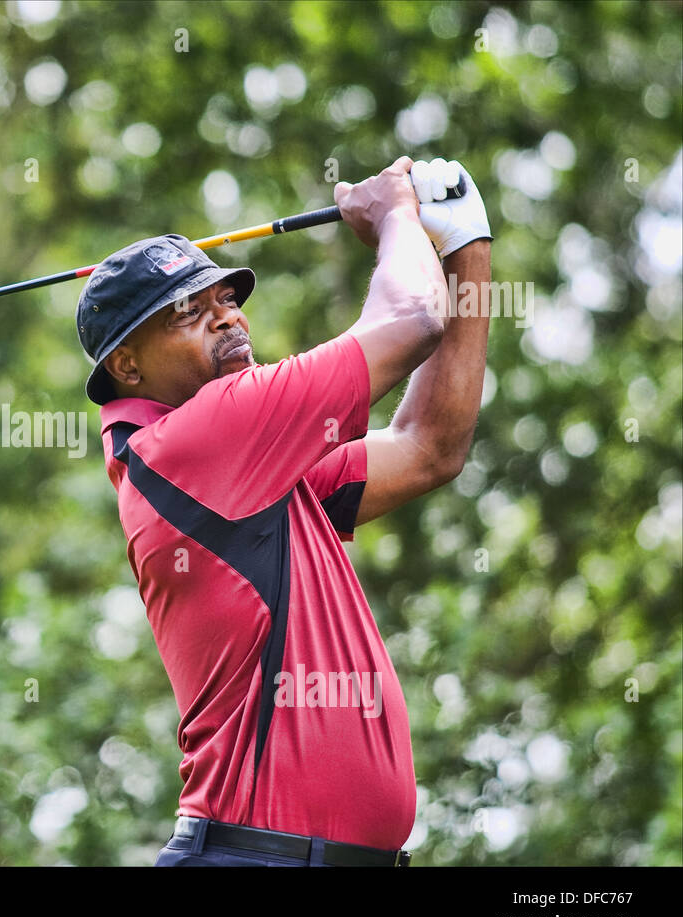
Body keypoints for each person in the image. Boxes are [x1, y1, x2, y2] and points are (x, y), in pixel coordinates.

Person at [76, 156, 493, 866]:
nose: (227, 318)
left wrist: (464, 249)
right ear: (128, 366)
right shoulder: (199, 440)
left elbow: (430, 447)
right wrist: (393, 212)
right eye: (190, 312)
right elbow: (412, 319)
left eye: (225, 300)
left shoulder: (256, 468)